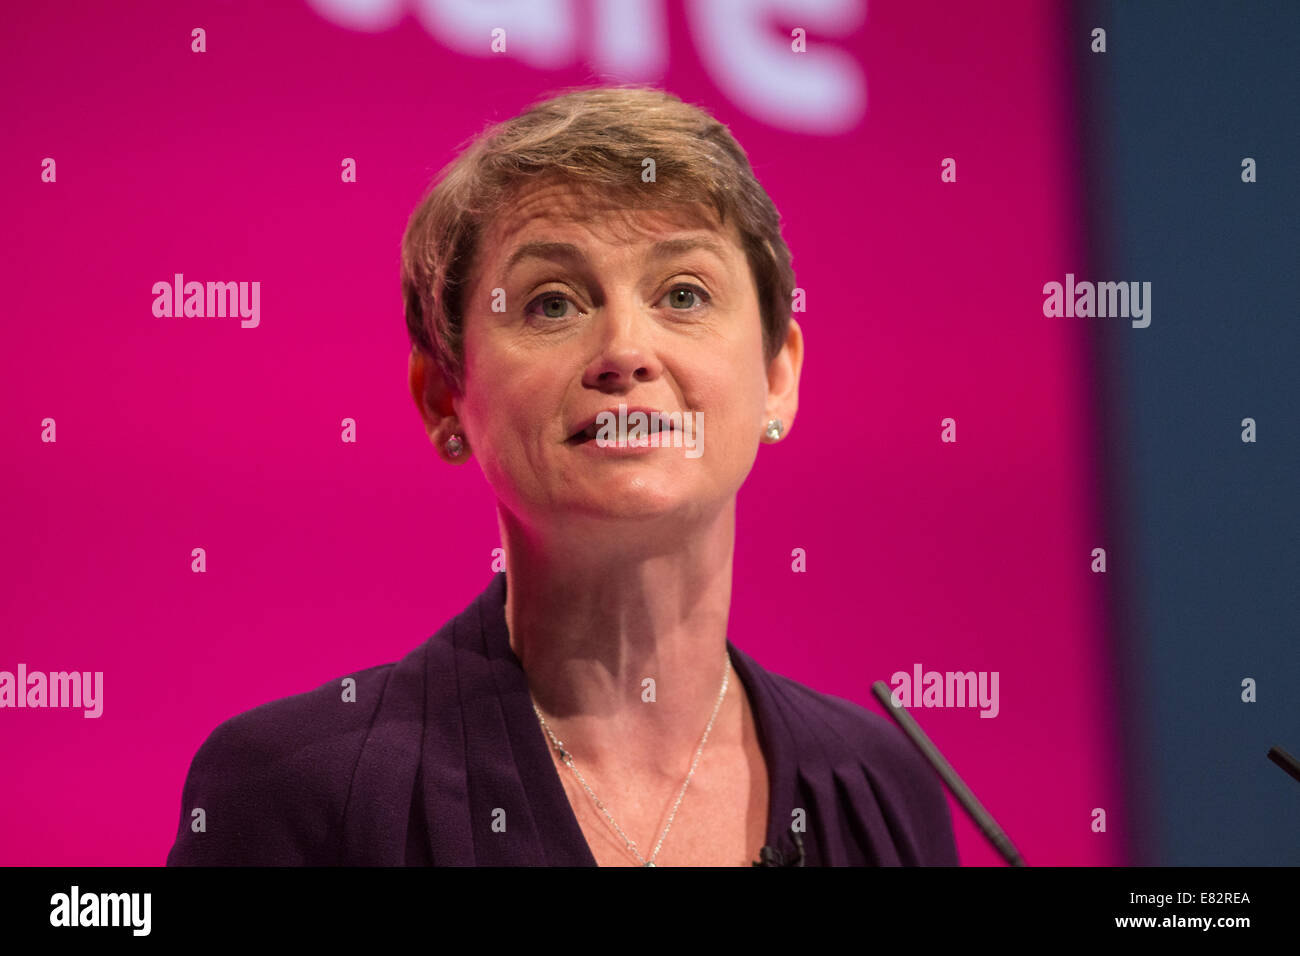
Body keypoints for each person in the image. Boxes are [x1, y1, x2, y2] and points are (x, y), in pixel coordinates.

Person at [166, 84, 959, 867]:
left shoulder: (881, 795)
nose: (624, 351)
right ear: (444, 394)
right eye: (552, 304)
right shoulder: (299, 795)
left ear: (777, 374)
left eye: (683, 293)